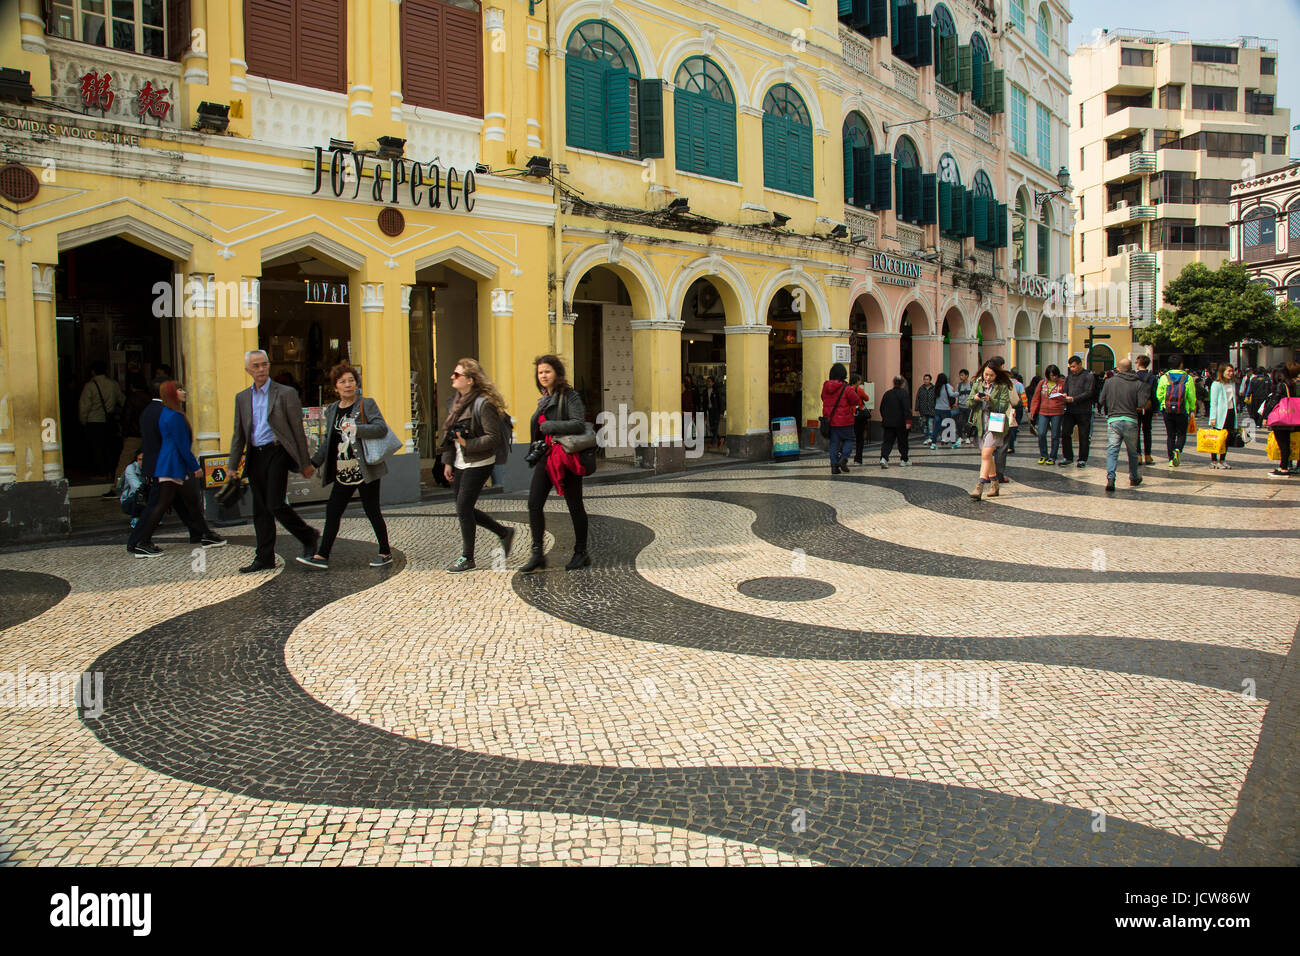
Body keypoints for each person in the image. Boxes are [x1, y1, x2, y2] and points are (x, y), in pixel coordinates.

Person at [226, 349, 319, 573]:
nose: (261, 370)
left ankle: (308, 536)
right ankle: (264, 557)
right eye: (256, 366)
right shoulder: (242, 398)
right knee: (261, 509)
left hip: (278, 452)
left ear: (269, 366)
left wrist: (305, 462)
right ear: (248, 370)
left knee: (275, 504)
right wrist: (231, 466)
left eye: (264, 365)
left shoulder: (285, 393)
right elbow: (239, 435)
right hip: (255, 456)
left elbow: (298, 430)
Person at [298, 363, 394, 569]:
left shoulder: (366, 404)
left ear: (356, 383)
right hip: (343, 470)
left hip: (366, 468)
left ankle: (385, 551)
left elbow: (380, 428)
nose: (348, 385)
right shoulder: (332, 409)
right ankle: (322, 555)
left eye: (351, 380)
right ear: (335, 387)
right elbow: (328, 441)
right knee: (333, 510)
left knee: (372, 510)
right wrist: (314, 462)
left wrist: (356, 429)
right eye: (342, 382)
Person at [126, 377, 223, 554]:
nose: (184, 392)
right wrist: (195, 466)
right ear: (170, 393)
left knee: (188, 501)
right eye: (179, 389)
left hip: (165, 463)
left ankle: (202, 533)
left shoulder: (158, 412)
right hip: (171, 464)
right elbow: (181, 444)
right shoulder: (171, 415)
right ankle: (141, 541)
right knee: (160, 504)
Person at [437, 358, 513, 572]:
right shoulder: (455, 401)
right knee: (464, 508)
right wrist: (448, 462)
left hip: (479, 462)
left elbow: (493, 438)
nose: (452, 377)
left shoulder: (484, 404)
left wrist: (467, 443)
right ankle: (503, 532)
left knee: (463, 508)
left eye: (457, 374)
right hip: (460, 462)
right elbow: (449, 435)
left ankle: (467, 557)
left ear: (470, 380)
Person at [520, 355, 592, 572]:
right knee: (534, 503)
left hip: (565, 456)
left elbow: (579, 424)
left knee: (574, 505)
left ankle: (581, 552)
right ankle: (537, 554)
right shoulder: (543, 398)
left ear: (557, 374)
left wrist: (550, 426)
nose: (543, 375)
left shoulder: (569, 396)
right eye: (540, 372)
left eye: (547, 371)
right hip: (547, 456)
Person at [1097, 358, 1150, 493]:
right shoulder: (1138, 383)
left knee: (1112, 450)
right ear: (1131, 368)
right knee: (1132, 452)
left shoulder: (1109, 382)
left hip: (1113, 420)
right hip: (1131, 420)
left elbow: (1101, 400)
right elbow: (1141, 404)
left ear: (1118, 369)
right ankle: (1133, 477)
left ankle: (1110, 477)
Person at [966, 363, 1016, 500]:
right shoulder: (978, 385)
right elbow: (968, 403)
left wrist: (990, 400)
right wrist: (975, 399)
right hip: (981, 424)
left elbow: (1003, 406)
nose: (988, 377)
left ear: (997, 375)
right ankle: (995, 484)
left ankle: (980, 486)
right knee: (987, 456)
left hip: (996, 424)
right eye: (986, 374)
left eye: (991, 375)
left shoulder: (1003, 387)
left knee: (986, 454)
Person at [79, 360, 125, 490]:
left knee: (96, 447)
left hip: (94, 421)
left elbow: (84, 406)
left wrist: (83, 421)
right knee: (109, 446)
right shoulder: (113, 384)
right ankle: (111, 470)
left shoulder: (90, 386)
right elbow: (122, 400)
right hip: (109, 420)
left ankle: (101, 472)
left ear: (92, 371)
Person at [112, 372, 152, 493]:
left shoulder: (132, 398)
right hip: (149, 435)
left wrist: (124, 433)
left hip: (133, 436)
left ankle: (117, 487)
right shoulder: (149, 398)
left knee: (124, 463)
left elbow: (126, 418)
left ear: (131, 385)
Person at [1155, 355, 1196, 469]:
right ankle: (1178, 449)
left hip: (1167, 410)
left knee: (1170, 435)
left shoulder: (1164, 377)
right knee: (1182, 434)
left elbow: (1159, 394)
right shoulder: (1188, 378)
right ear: (1181, 364)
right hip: (1182, 410)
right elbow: (1191, 396)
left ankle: (1170, 460)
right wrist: (1192, 407)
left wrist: (1163, 403)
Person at [821, 362, 862, 475]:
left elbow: (823, 398)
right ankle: (843, 459)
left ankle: (834, 466)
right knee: (849, 439)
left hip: (831, 420)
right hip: (845, 420)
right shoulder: (846, 388)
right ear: (843, 374)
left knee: (834, 443)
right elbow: (855, 400)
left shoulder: (826, 386)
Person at [1059, 355, 1098, 468]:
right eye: (1070, 367)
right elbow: (1066, 389)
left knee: (1083, 435)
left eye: (1074, 367)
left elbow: (1089, 392)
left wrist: (1074, 399)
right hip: (1070, 410)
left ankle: (1082, 459)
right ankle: (1068, 457)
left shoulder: (1088, 376)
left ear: (1080, 364)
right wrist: (1065, 395)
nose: (1072, 369)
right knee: (1065, 433)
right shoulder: (1069, 377)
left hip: (1083, 410)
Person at [1264, 363, 1300, 478]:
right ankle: (1284, 466)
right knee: (1287, 444)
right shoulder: (1291, 384)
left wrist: (1265, 415)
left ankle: (1283, 468)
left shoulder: (1281, 385)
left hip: (1281, 419)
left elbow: (1274, 401)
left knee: (1283, 444)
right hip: (1291, 417)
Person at [1029, 365, 1066, 464]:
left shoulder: (1062, 383)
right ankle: (1043, 454)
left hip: (1057, 412)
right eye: (1052, 376)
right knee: (1041, 433)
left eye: (1055, 375)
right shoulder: (1042, 383)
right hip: (1043, 412)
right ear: (1048, 375)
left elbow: (1066, 395)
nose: (1054, 378)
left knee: (1055, 435)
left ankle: (1053, 456)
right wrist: (1033, 411)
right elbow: (1036, 398)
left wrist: (1064, 397)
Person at [1207, 364, 1238, 470]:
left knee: (1226, 438)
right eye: (1228, 371)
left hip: (1230, 413)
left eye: (1232, 371)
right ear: (1222, 372)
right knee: (1216, 438)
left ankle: (1222, 460)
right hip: (1220, 415)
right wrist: (1213, 417)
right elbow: (1213, 402)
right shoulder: (1216, 384)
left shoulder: (1232, 383)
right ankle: (1214, 460)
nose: (1231, 373)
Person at [878, 376, 912, 467]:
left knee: (887, 442)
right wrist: (908, 421)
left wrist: (885, 417)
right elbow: (906, 409)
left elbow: (881, 408)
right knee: (903, 441)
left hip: (888, 423)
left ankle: (884, 458)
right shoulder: (904, 394)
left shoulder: (887, 394)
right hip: (901, 423)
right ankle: (904, 459)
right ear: (902, 383)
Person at [1135, 355, 1159, 464]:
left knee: (1136, 431)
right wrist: (1155, 409)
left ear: (1138, 363)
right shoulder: (1152, 377)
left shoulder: (1134, 376)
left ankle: (1138, 455)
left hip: (1136, 407)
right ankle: (1148, 455)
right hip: (1148, 406)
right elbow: (1154, 394)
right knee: (1147, 431)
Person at [119, 449, 147, 527]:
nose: (142, 462)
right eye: (140, 459)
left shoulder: (151, 467)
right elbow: (136, 486)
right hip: (130, 501)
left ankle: (152, 516)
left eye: (144, 459)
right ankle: (135, 518)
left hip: (145, 497)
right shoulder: (131, 468)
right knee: (140, 493)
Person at [928, 373, 957, 448]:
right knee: (949, 426)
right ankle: (953, 443)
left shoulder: (936, 387)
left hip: (937, 409)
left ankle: (933, 444)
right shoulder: (946, 386)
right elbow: (951, 394)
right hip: (946, 409)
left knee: (936, 427)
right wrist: (958, 393)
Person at [850, 373, 872, 464]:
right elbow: (866, 398)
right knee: (859, 438)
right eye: (860, 380)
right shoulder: (858, 389)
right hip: (859, 415)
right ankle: (858, 459)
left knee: (849, 437)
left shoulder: (847, 389)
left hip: (850, 415)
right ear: (857, 381)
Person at [702, 375, 724, 448]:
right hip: (710, 411)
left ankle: (711, 443)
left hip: (716, 411)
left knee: (715, 426)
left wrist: (721, 412)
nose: (708, 383)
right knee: (712, 428)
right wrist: (705, 414)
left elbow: (720, 402)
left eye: (709, 382)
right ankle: (720, 438)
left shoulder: (716, 391)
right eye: (707, 381)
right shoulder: (705, 391)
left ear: (713, 383)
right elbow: (704, 404)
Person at [914, 373, 935, 441]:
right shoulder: (921, 388)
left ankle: (931, 437)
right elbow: (918, 398)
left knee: (930, 424)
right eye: (925, 379)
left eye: (927, 379)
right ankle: (926, 437)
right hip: (923, 409)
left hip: (932, 410)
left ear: (930, 380)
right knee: (925, 424)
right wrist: (917, 408)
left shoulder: (934, 388)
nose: (926, 381)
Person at [954, 369, 972, 447]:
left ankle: (968, 437)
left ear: (967, 375)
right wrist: (956, 403)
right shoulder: (959, 385)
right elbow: (957, 396)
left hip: (969, 407)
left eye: (962, 375)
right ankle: (960, 437)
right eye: (960, 375)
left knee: (968, 423)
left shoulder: (971, 385)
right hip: (961, 407)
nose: (961, 377)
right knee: (959, 422)